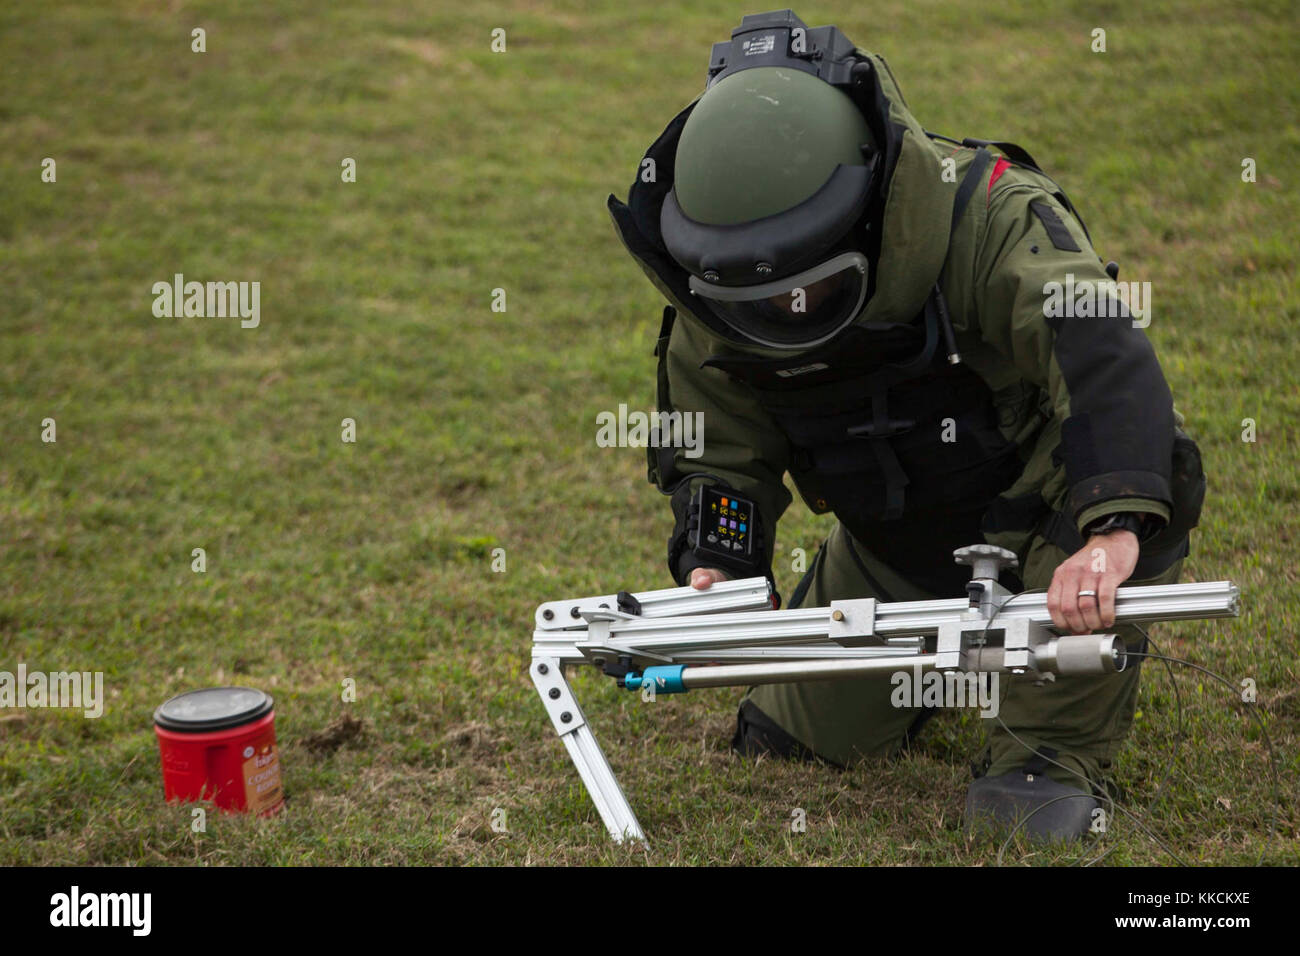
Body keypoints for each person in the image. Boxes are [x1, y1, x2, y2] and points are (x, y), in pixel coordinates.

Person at [607, 11, 1203, 841]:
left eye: (804, 291)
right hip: (893, 548)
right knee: (782, 745)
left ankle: (1050, 743)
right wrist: (720, 566)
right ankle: (929, 666)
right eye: (759, 302)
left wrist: (1110, 531)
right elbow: (717, 444)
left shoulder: (987, 218)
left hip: (1049, 521)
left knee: (1026, 815)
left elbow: (1103, 359)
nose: (784, 312)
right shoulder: (720, 285)